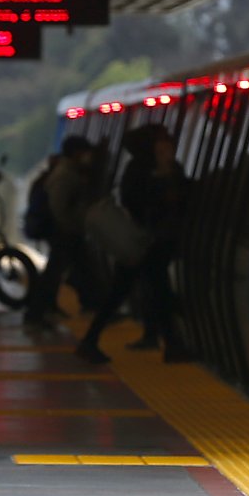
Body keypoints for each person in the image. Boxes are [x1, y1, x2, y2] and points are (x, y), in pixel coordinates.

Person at [72, 124, 186, 364]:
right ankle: (170, 344)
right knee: (153, 291)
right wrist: (163, 182)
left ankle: (93, 340)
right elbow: (136, 201)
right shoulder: (142, 169)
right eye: (162, 140)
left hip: (150, 243)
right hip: (143, 242)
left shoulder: (163, 167)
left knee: (142, 291)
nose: (168, 144)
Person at [24, 136, 97, 329]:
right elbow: (59, 206)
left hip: (65, 230)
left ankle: (88, 304)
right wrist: (70, 226)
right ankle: (36, 314)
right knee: (54, 274)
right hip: (63, 231)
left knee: (70, 270)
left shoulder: (66, 171)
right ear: (76, 153)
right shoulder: (65, 174)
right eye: (85, 152)